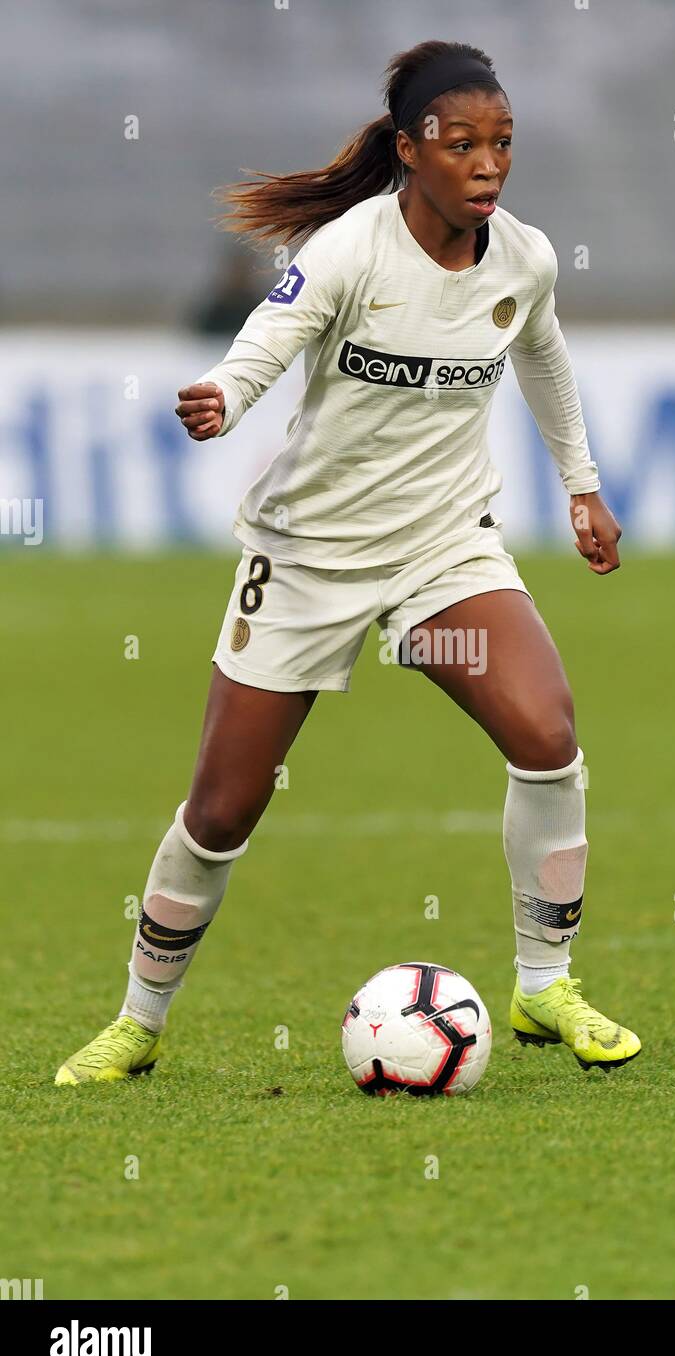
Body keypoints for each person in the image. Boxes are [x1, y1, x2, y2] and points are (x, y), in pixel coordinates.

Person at [56, 38, 640, 1086]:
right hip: (308, 558)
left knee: (546, 735)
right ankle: (138, 1022)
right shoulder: (347, 251)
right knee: (223, 807)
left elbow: (541, 352)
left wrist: (580, 484)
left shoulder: (523, 259)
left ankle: (544, 982)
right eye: (461, 143)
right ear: (411, 151)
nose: (487, 164)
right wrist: (225, 398)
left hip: (440, 550)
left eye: (501, 143)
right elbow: (266, 343)